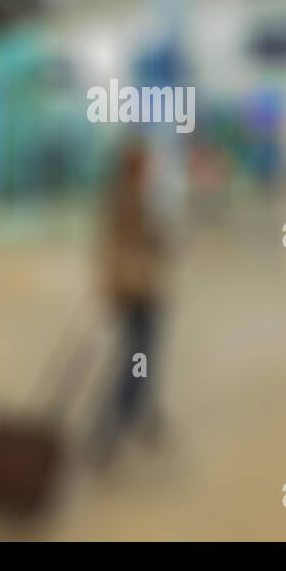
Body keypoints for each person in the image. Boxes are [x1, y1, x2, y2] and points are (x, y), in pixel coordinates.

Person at [90, 139, 168, 466]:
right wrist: (112, 289)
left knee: (141, 356)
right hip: (135, 290)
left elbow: (146, 239)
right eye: (142, 163)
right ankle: (109, 431)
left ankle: (138, 413)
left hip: (142, 288)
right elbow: (113, 249)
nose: (147, 169)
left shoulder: (134, 196)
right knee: (135, 359)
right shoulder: (123, 200)